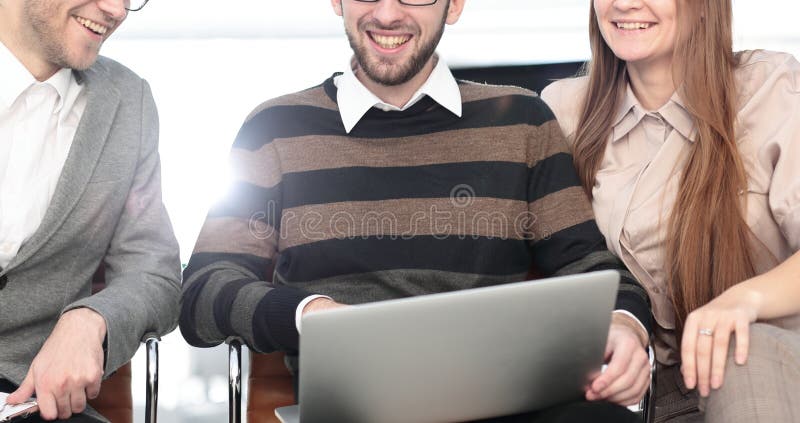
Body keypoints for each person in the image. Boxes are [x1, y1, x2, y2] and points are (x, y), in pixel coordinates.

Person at [180, 0, 654, 421]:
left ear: (454, 5)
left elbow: (590, 264)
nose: (387, 14)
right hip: (354, 410)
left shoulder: (522, 121)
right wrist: (308, 313)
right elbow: (202, 292)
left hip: (509, 405)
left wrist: (624, 325)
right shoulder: (274, 129)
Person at [541, 0, 800, 421]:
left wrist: (743, 302)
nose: (624, 4)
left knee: (738, 349)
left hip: (763, 378)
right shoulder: (562, 111)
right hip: (635, 399)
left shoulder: (772, 88)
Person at [0, 0, 181, 421]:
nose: (117, 9)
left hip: (29, 403)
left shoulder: (127, 102)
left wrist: (91, 317)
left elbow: (154, 271)